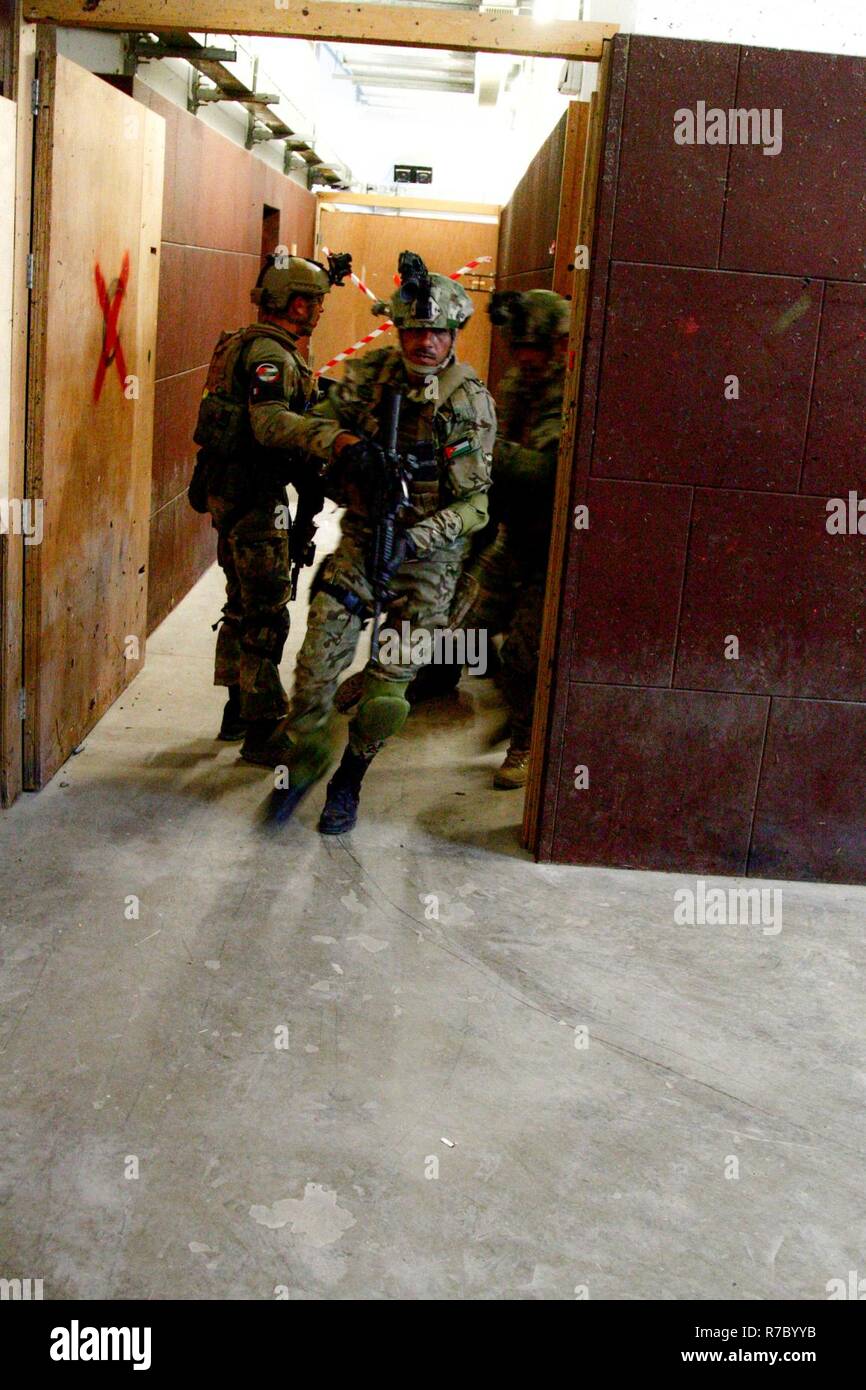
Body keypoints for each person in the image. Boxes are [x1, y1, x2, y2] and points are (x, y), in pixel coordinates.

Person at [273, 251, 497, 833]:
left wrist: (419, 536)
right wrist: (347, 444)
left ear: (453, 336)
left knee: (386, 698)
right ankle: (306, 759)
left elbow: (476, 505)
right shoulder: (370, 375)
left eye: (437, 333)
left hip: (426, 561)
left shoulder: (466, 403)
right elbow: (311, 422)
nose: (425, 343)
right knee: (315, 671)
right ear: (401, 330)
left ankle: (349, 778)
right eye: (415, 330)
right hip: (363, 539)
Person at [191, 253, 362, 767]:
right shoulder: (272, 356)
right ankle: (262, 728)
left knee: (240, 602)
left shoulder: (244, 342)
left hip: (228, 489)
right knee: (265, 609)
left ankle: (237, 708)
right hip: (256, 497)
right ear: (295, 302)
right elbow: (267, 425)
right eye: (316, 302)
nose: (320, 312)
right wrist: (329, 437)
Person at [462, 288, 569, 789]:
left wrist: (482, 452)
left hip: (554, 547)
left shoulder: (569, 389)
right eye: (519, 346)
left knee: (525, 653)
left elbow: (544, 471)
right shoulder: (516, 383)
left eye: (535, 347)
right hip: (516, 533)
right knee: (469, 624)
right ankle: (509, 702)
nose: (525, 357)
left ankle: (525, 742)